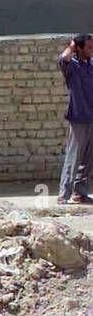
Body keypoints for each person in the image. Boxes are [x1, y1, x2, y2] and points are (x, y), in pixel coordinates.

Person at [57, 34, 93, 205]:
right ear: (79, 48)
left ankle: (80, 192)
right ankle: (64, 194)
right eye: (89, 47)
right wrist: (71, 46)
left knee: (88, 159)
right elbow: (63, 58)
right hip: (78, 117)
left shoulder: (91, 66)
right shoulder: (72, 67)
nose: (92, 51)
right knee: (74, 157)